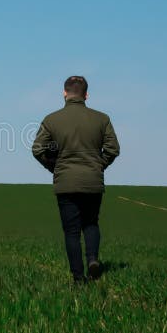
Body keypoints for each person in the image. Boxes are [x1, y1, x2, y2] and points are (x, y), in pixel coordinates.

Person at [32, 76, 120, 283]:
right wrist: (99, 165)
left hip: (65, 183)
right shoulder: (102, 119)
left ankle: (79, 279)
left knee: (71, 232)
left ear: (64, 93)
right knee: (90, 223)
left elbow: (37, 149)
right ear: (86, 95)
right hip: (92, 181)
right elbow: (113, 149)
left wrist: (55, 167)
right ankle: (92, 260)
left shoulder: (51, 120)